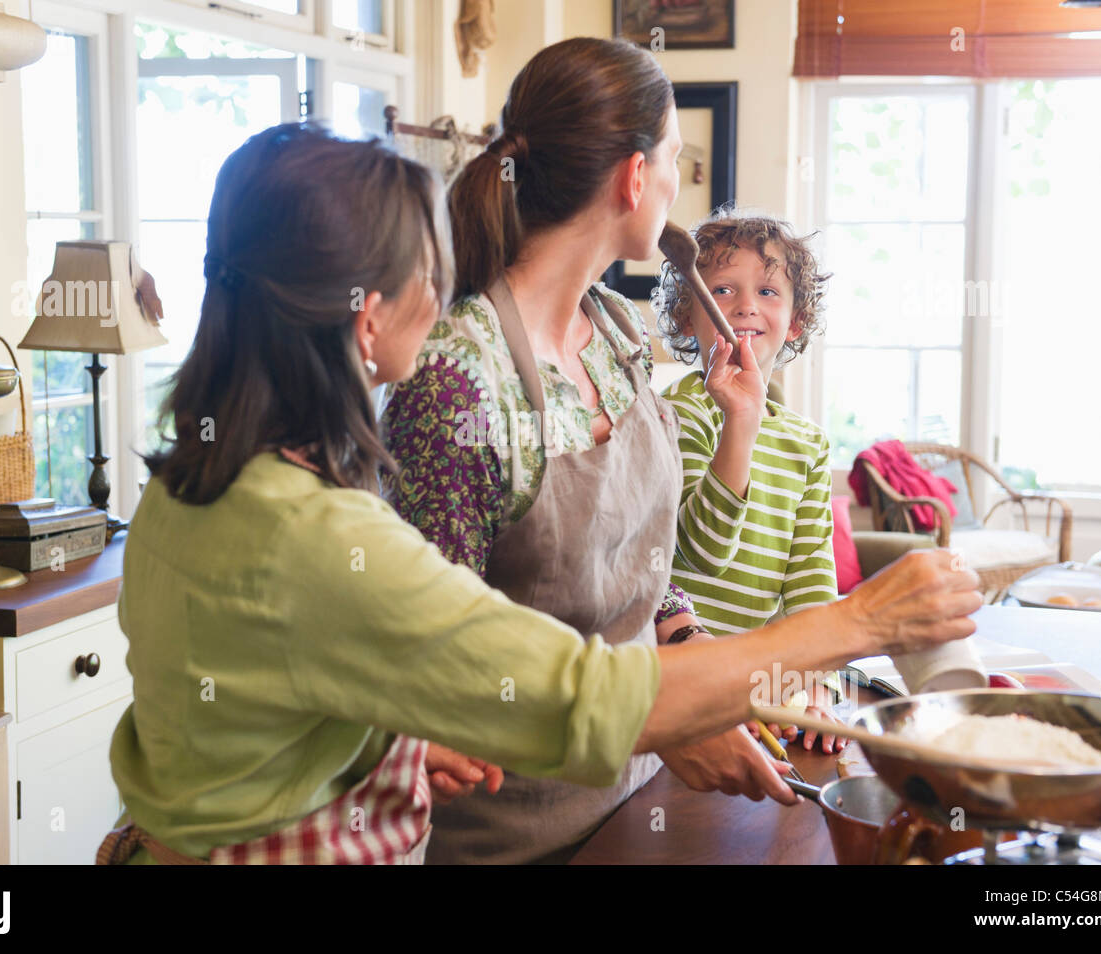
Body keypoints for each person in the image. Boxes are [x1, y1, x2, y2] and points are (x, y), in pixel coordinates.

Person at [101, 121, 982, 866]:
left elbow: (264, 712)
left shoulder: (190, 491)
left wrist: (389, 747)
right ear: (368, 313)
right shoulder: (314, 530)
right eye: (427, 271)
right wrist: (864, 622)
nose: (442, 294)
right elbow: (582, 696)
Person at [379, 39, 935, 863]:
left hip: (640, 796)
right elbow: (434, 663)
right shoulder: (458, 381)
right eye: (674, 160)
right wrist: (654, 722)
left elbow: (640, 560)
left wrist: (686, 655)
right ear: (635, 178)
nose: (677, 184)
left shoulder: (616, 336)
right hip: (521, 836)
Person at [651, 210, 844, 752]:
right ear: (688, 317)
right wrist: (739, 423)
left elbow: (809, 578)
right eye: (723, 289)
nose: (745, 306)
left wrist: (816, 682)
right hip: (680, 681)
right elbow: (701, 554)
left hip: (758, 688)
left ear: (796, 322)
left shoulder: (808, 444)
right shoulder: (671, 417)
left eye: (767, 291)